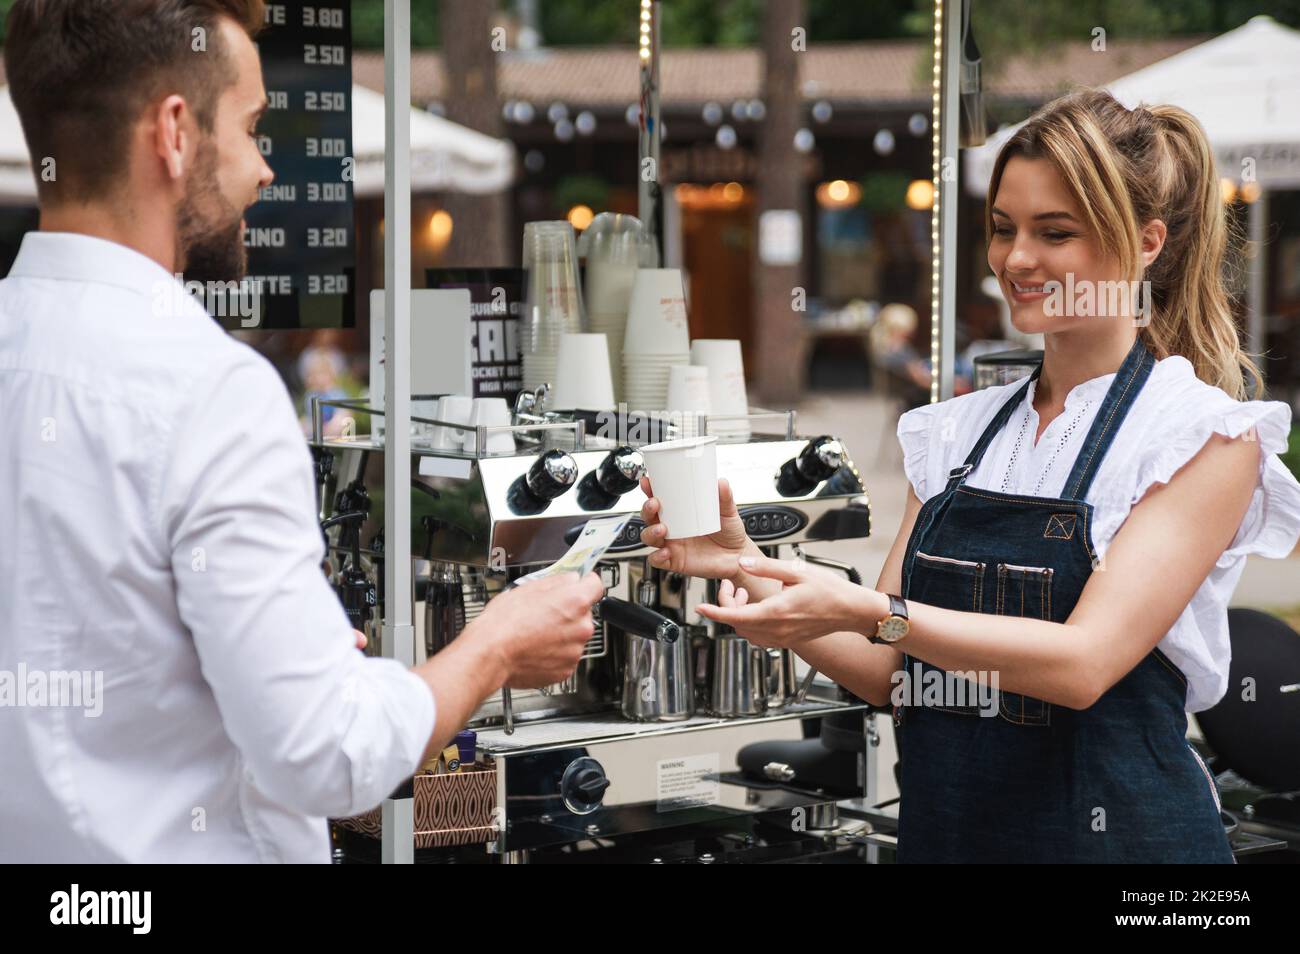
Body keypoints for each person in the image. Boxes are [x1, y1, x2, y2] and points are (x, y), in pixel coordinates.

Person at [0, 0, 602, 863]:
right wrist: (499, 641)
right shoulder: (211, 390)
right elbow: (330, 755)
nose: (266, 173)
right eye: (250, 129)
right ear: (174, 134)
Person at [639, 89, 1300, 863]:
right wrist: (748, 566)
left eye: (1055, 232)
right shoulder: (955, 432)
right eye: (1002, 229)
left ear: (1147, 243)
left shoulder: (1200, 435)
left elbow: (1083, 665)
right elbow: (891, 674)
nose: (1016, 259)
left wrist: (876, 608)